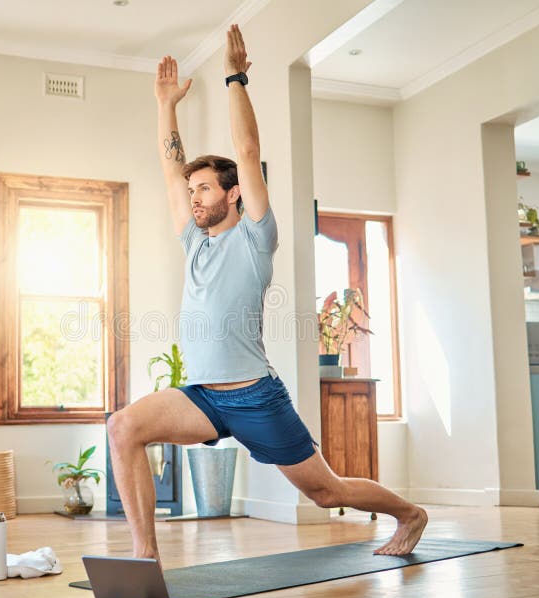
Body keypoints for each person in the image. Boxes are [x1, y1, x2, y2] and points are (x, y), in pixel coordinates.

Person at [107, 24, 427, 562]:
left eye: (204, 188)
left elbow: (249, 149)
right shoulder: (194, 241)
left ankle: (410, 513)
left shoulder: (256, 236)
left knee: (327, 493)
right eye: (192, 191)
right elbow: (169, 166)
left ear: (234, 195)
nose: (194, 197)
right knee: (123, 427)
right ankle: (145, 558)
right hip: (203, 397)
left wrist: (235, 78)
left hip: (255, 395)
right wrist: (166, 105)